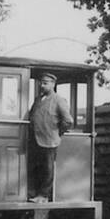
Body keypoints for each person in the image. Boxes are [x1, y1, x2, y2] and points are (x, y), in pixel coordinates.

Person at [28, 73, 73, 202]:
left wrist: (58, 133)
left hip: (50, 140)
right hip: (35, 139)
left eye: (45, 83)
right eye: (41, 83)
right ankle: (33, 194)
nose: (42, 85)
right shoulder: (38, 99)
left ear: (53, 84)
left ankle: (43, 196)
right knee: (35, 168)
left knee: (47, 169)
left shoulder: (58, 100)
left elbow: (68, 121)